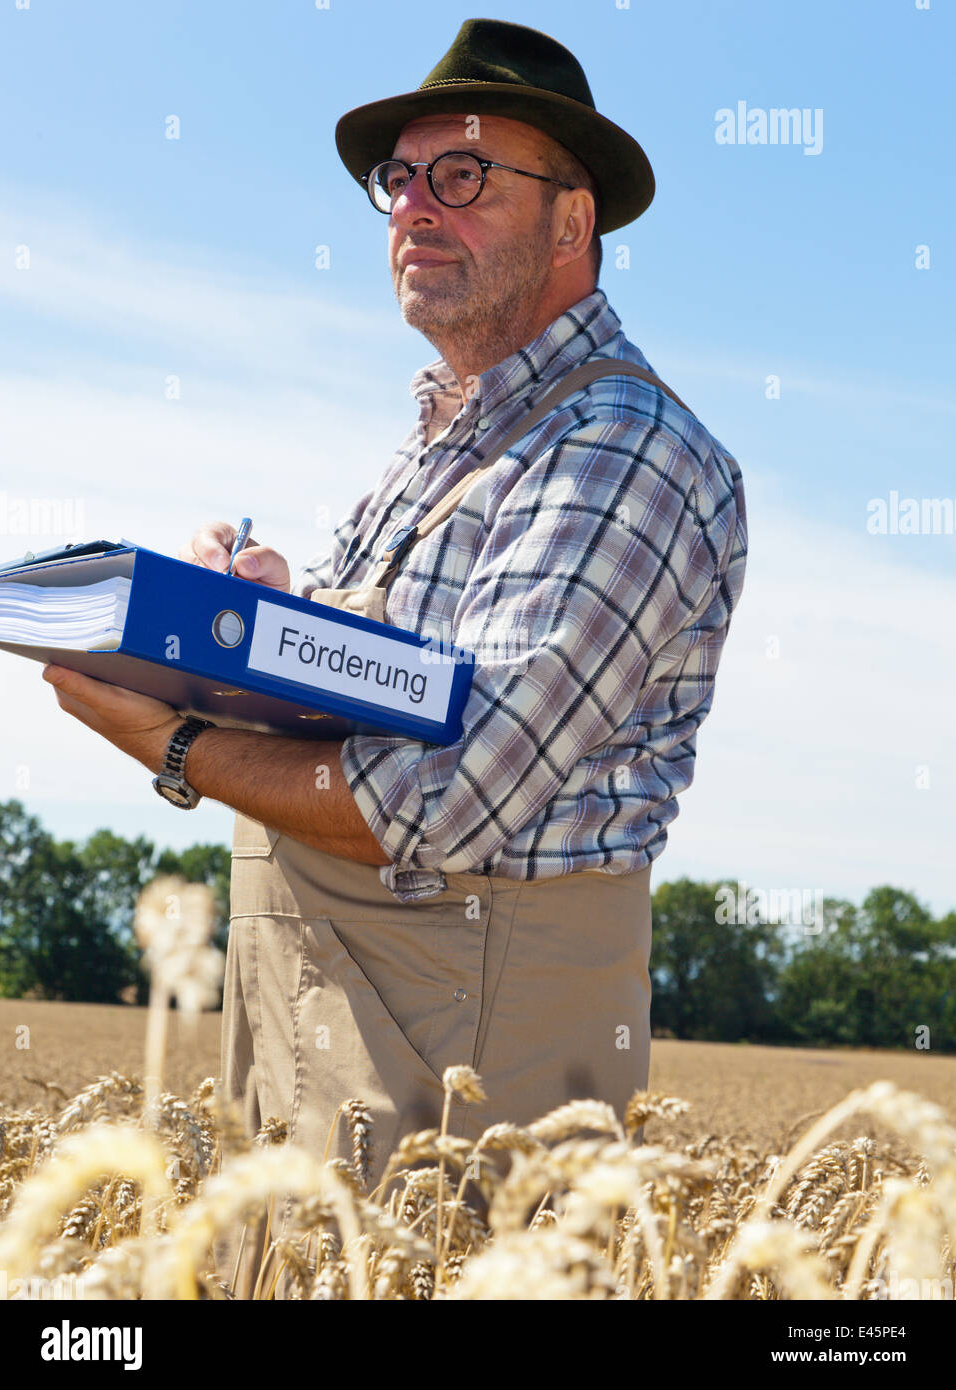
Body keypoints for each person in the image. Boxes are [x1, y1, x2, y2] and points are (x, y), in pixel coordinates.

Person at [42, 19, 747, 1296]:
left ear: (572, 221)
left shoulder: (625, 453)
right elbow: (395, 683)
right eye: (401, 181)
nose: (416, 206)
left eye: (463, 173)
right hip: (333, 1035)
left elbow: (435, 794)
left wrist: (183, 744)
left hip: (472, 1062)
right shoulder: (438, 445)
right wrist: (252, 622)